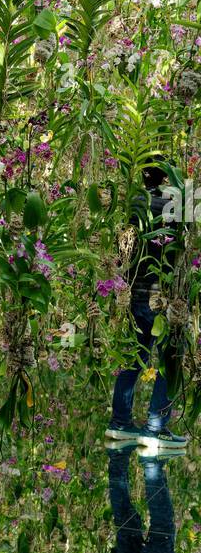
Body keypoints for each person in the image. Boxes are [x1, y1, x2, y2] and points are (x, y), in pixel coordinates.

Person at [105, 161, 187, 449]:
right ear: (166, 176)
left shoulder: (134, 202)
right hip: (159, 296)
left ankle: (120, 422)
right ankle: (156, 427)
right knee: (169, 361)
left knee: (133, 360)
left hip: (133, 294)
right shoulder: (172, 201)